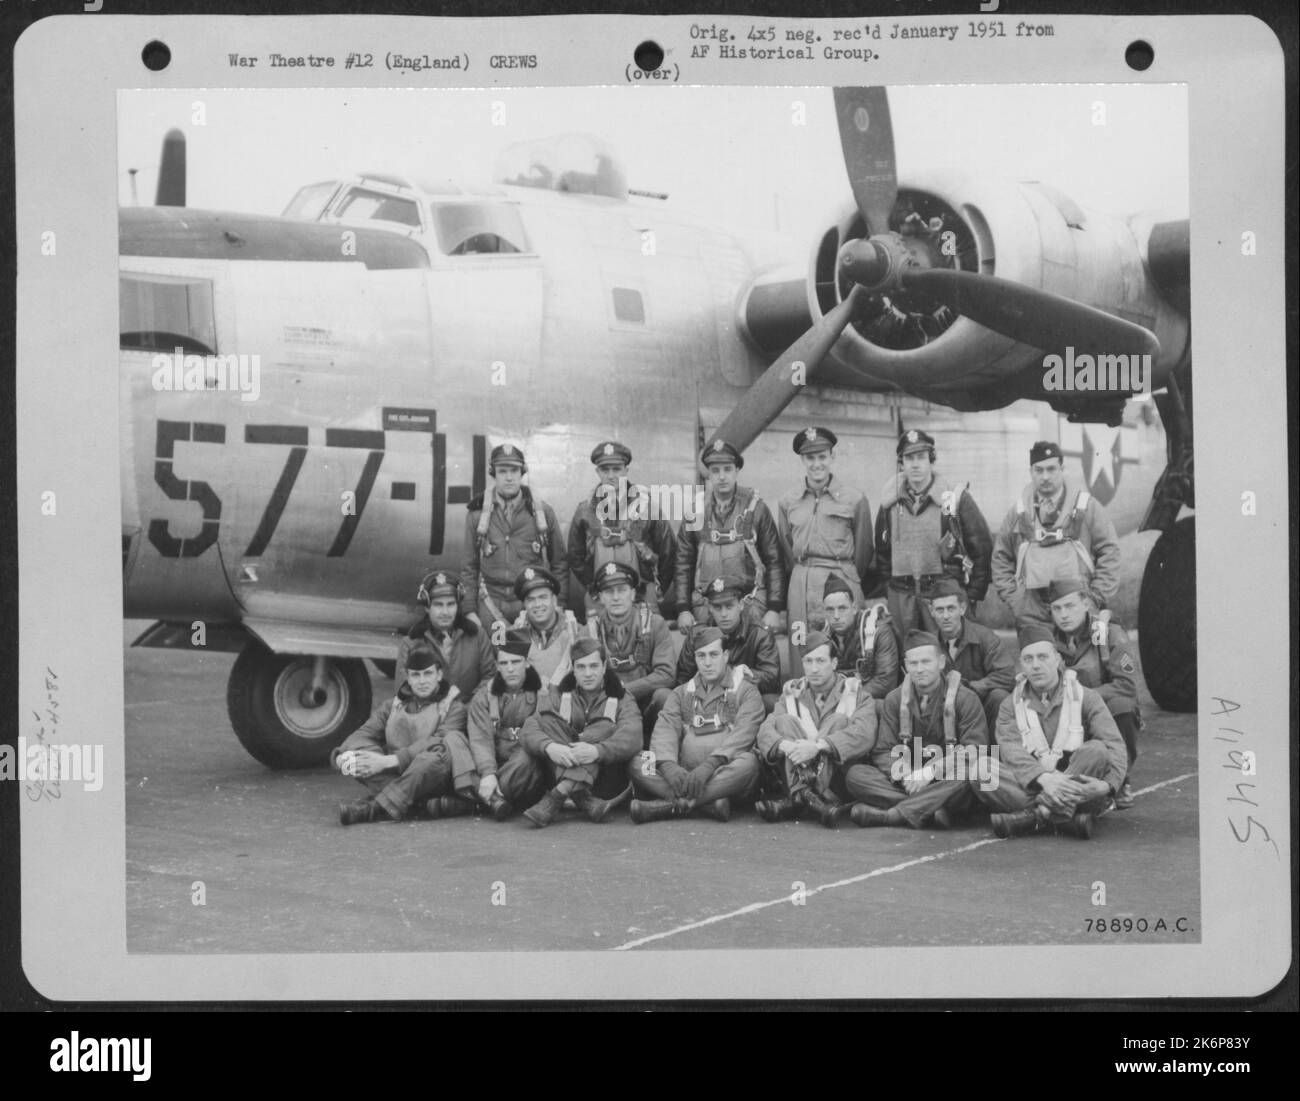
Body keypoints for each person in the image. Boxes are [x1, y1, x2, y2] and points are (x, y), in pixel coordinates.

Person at [976, 623, 1127, 839]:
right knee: (982, 768)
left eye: (1043, 657)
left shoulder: (1086, 696)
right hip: (1033, 784)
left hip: (1078, 780)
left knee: (1097, 751)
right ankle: (1062, 818)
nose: (1036, 665)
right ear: (1022, 665)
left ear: (1057, 659)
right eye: (1028, 659)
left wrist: (1106, 786)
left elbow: (1114, 745)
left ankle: (1036, 816)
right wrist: (1046, 779)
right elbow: (1011, 751)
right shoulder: (1011, 704)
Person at [844, 631, 987, 829]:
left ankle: (893, 815)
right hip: (909, 781)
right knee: (856, 775)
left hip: (947, 779)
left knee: (971, 775)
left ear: (941, 662)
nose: (920, 669)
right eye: (913, 664)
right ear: (905, 667)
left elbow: (975, 750)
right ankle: (929, 809)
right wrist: (905, 774)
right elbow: (884, 750)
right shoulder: (895, 699)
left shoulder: (965, 699)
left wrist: (930, 772)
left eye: (926, 662)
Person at [627, 627, 764, 823]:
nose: (707, 663)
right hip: (685, 774)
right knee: (637, 762)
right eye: (701, 656)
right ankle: (708, 804)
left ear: (726, 656)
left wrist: (710, 765)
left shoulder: (746, 691)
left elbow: (744, 735)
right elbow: (665, 729)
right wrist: (667, 766)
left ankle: (676, 805)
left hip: (722, 773)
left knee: (750, 764)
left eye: (714, 655)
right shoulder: (682, 692)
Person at [874, 428, 992, 639]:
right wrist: (889, 591)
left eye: (921, 457)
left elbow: (981, 547)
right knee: (909, 657)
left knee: (948, 657)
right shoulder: (889, 502)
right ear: (901, 463)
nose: (916, 464)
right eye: (909, 458)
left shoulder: (953, 498)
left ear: (931, 460)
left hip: (943, 594)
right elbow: (882, 553)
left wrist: (972, 594)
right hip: (903, 596)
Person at [332, 644, 470, 825]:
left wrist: (386, 762)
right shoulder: (393, 705)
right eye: (416, 675)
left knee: (432, 758)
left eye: (428, 674)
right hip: (399, 774)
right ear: (408, 678)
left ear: (439, 675)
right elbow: (363, 734)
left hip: (432, 777)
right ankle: (418, 805)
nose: (422, 681)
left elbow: (438, 743)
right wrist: (346, 756)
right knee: (359, 760)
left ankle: (374, 809)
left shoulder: (454, 708)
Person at [991, 440, 1121, 627]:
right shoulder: (1019, 512)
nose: (1045, 477)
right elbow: (1000, 557)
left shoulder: (1087, 506)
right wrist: (1016, 601)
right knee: (1037, 655)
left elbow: (1110, 552)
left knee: (1085, 655)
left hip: (1079, 605)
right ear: (1031, 472)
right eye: (1039, 470)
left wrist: (1095, 597)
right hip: (1032, 610)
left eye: (1051, 469)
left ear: (1062, 469)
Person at [754, 631, 877, 827]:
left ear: (834, 663)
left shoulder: (855, 692)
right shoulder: (792, 692)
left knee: (838, 720)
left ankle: (798, 799)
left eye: (820, 661)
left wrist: (819, 746)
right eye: (808, 661)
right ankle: (809, 798)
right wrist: (784, 745)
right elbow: (765, 731)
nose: (814, 669)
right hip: (801, 771)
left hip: (838, 782)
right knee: (784, 721)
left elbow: (864, 734)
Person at [519, 637, 641, 828]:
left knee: (606, 727)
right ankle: (580, 796)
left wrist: (597, 751)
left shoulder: (623, 697)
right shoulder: (559, 694)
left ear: (604, 667)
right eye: (581, 667)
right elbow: (529, 728)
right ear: (573, 669)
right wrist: (550, 747)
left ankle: (560, 793)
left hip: (605, 781)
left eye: (594, 666)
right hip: (564, 766)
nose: (588, 673)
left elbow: (633, 736)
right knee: (547, 720)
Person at [776, 427, 873, 658]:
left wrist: (845, 574)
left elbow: (864, 549)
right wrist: (804, 571)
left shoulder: (854, 499)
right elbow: (787, 547)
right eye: (810, 458)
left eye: (822, 457)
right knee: (801, 645)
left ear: (832, 457)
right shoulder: (788, 501)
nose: (816, 464)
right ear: (802, 459)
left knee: (845, 646)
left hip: (841, 577)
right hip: (801, 583)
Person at [1047, 577, 1141, 810]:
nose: (1064, 615)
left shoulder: (1110, 633)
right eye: (1057, 609)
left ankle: (1120, 781)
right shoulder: (1049, 639)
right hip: (1063, 711)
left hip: (1101, 710)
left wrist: (1083, 697)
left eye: (1070, 606)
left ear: (1086, 604)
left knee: (1123, 707)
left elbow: (1126, 685)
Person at [675, 439, 785, 633]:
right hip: (707, 608)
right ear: (708, 474)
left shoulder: (756, 508)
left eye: (727, 469)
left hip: (750, 607)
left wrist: (774, 607)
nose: (722, 476)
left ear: (737, 471)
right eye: (715, 471)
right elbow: (683, 562)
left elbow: (774, 560)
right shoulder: (695, 511)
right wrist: (683, 608)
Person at [444, 628, 548, 822]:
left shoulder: (543, 693)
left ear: (526, 663)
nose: (510, 669)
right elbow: (480, 739)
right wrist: (488, 773)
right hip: (491, 763)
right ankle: (492, 799)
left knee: (529, 756)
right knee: (454, 739)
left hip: (522, 770)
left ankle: (481, 800)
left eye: (516, 662)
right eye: (504, 663)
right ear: (497, 666)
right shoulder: (484, 696)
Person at [461, 443, 566, 629]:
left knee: (532, 656)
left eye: (514, 470)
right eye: (502, 471)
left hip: (530, 604)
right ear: (493, 473)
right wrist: (469, 610)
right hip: (491, 604)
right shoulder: (477, 516)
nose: (509, 478)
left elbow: (559, 563)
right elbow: (469, 567)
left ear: (522, 472)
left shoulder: (542, 513)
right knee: (498, 655)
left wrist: (558, 604)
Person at [568, 440, 676, 617]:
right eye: (605, 470)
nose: (611, 476)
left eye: (617, 469)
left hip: (642, 598)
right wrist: (592, 585)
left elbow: (668, 551)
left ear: (626, 470)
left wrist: (654, 589)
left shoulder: (647, 507)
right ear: (597, 472)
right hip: (601, 598)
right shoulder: (585, 511)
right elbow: (575, 555)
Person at [664, 574, 782, 712]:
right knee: (668, 698)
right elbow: (683, 680)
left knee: (772, 702)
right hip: (705, 700)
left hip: (746, 699)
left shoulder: (760, 634)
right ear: (709, 607)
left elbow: (772, 679)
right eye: (718, 607)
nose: (724, 614)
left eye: (729, 606)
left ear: (741, 604)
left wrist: (737, 675)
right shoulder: (697, 634)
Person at [587, 561, 675, 734]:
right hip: (607, 707)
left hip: (646, 705)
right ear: (601, 597)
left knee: (664, 697)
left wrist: (625, 690)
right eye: (609, 592)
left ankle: (659, 751)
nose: (616, 597)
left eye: (622, 590)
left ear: (633, 593)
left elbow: (667, 674)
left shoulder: (655, 624)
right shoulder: (590, 631)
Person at [928, 576, 1017, 730]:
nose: (946, 616)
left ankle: (996, 751)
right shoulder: (929, 644)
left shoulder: (985, 637)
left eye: (951, 608)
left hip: (980, 704)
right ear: (931, 612)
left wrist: (971, 687)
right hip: (942, 706)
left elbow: (1006, 676)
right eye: (939, 610)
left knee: (999, 697)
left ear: (962, 609)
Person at [398, 570, 496, 700]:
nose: (445, 612)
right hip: (428, 716)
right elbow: (404, 690)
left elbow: (490, 677)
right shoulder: (411, 643)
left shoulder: (477, 636)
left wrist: (468, 708)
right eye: (438, 605)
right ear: (427, 607)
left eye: (450, 604)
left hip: (469, 713)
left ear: (458, 605)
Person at [822, 575, 899, 700]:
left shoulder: (879, 631)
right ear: (824, 612)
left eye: (842, 608)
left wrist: (845, 698)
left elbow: (885, 683)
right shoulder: (823, 638)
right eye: (830, 610)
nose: (836, 616)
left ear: (854, 608)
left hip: (874, 702)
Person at [512, 566, 582, 686]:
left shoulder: (576, 631)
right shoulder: (515, 634)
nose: (537, 604)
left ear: (554, 600)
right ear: (524, 604)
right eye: (531, 599)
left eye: (543, 597)